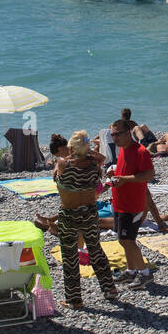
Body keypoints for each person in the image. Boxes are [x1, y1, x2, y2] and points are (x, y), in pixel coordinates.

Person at [53, 131, 121, 308]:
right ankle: (109, 289)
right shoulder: (93, 165)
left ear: (71, 147)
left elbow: (59, 175)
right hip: (89, 212)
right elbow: (102, 157)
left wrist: (76, 151)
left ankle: (74, 299)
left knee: (69, 255)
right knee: (95, 250)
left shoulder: (63, 164)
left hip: (69, 213)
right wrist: (87, 151)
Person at [109, 119, 156, 288]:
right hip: (120, 203)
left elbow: (149, 174)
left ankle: (145, 274)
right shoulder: (123, 150)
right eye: (113, 134)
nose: (115, 138)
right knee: (123, 240)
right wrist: (115, 174)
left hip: (132, 205)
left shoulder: (140, 151)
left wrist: (124, 179)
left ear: (128, 132)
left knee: (128, 241)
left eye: (118, 134)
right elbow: (127, 173)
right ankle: (130, 271)